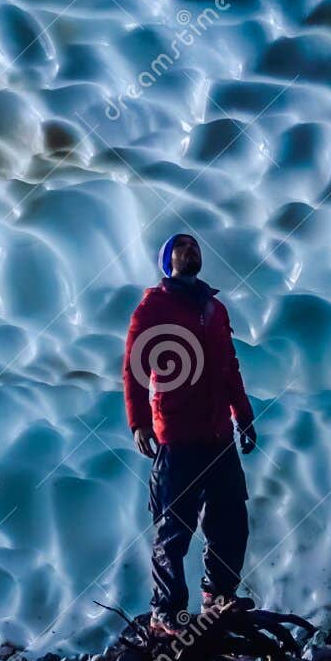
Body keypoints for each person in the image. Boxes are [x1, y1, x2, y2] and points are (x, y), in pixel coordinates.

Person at [123, 233, 257, 637]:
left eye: (195, 245)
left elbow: (229, 366)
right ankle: (167, 612)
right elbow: (134, 364)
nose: (190, 250)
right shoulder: (154, 306)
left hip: (218, 432)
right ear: (168, 261)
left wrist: (243, 416)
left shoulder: (215, 309)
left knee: (231, 518)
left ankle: (218, 595)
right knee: (174, 527)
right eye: (180, 247)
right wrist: (139, 421)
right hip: (177, 433)